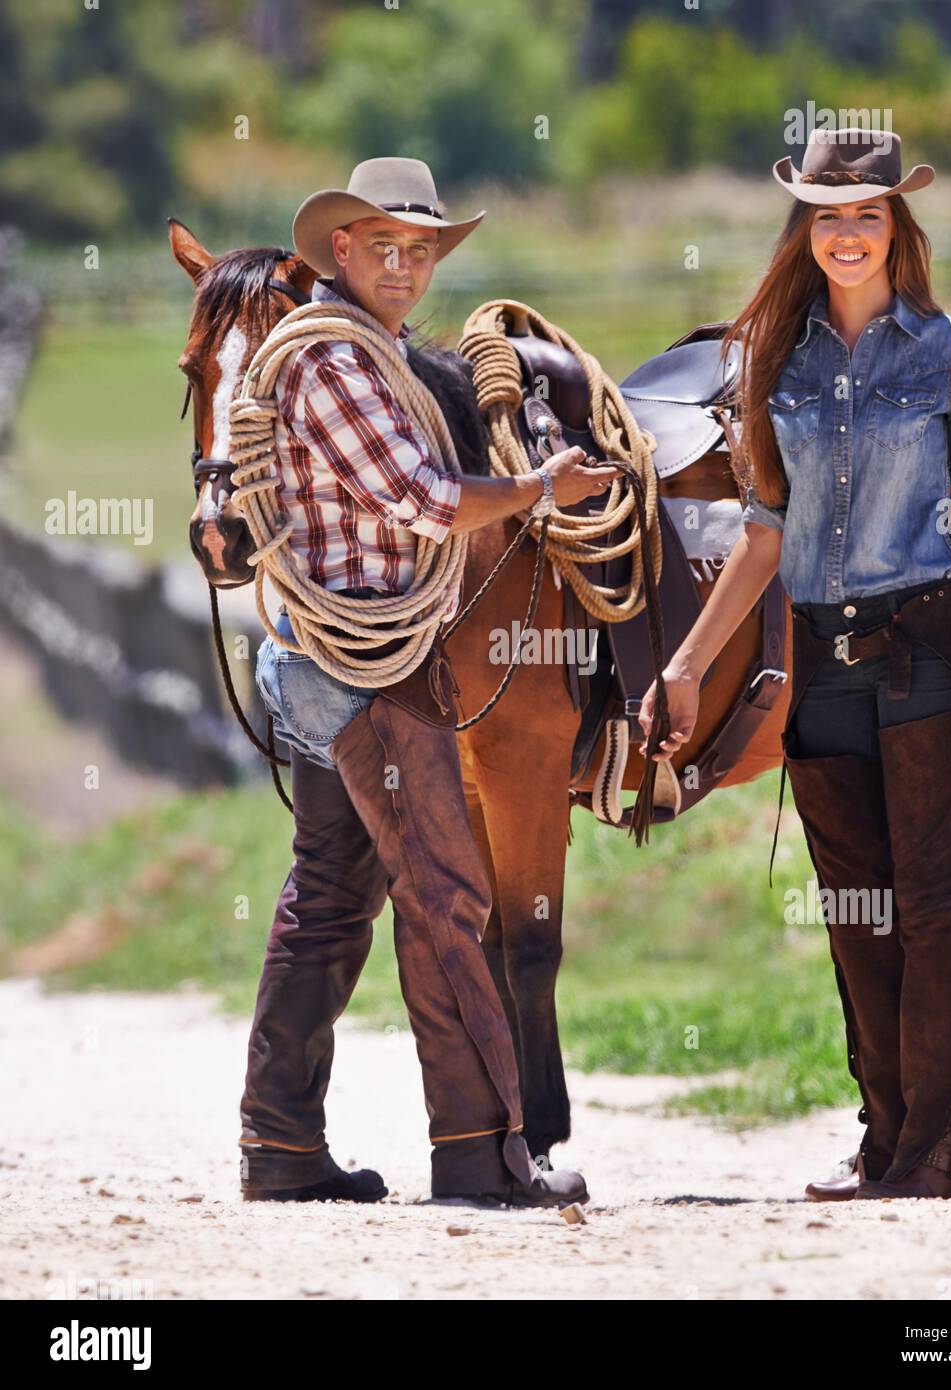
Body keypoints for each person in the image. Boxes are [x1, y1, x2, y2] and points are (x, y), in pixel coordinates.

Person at [638, 128, 951, 1201]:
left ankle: (940, 1153)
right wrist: (684, 661)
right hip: (824, 655)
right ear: (804, 231)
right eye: (829, 216)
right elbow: (765, 530)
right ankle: (887, 1137)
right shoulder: (781, 360)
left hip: (931, 645)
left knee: (935, 899)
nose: (848, 234)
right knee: (857, 907)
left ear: (898, 227)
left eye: (867, 214)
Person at [239, 157, 618, 1206]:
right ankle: (481, 1154)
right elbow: (422, 500)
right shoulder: (337, 364)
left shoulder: (364, 351)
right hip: (373, 674)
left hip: (318, 663)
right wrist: (542, 487)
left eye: (421, 250)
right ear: (340, 251)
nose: (405, 267)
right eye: (384, 248)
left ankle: (280, 1144)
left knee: (328, 898)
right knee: (449, 899)